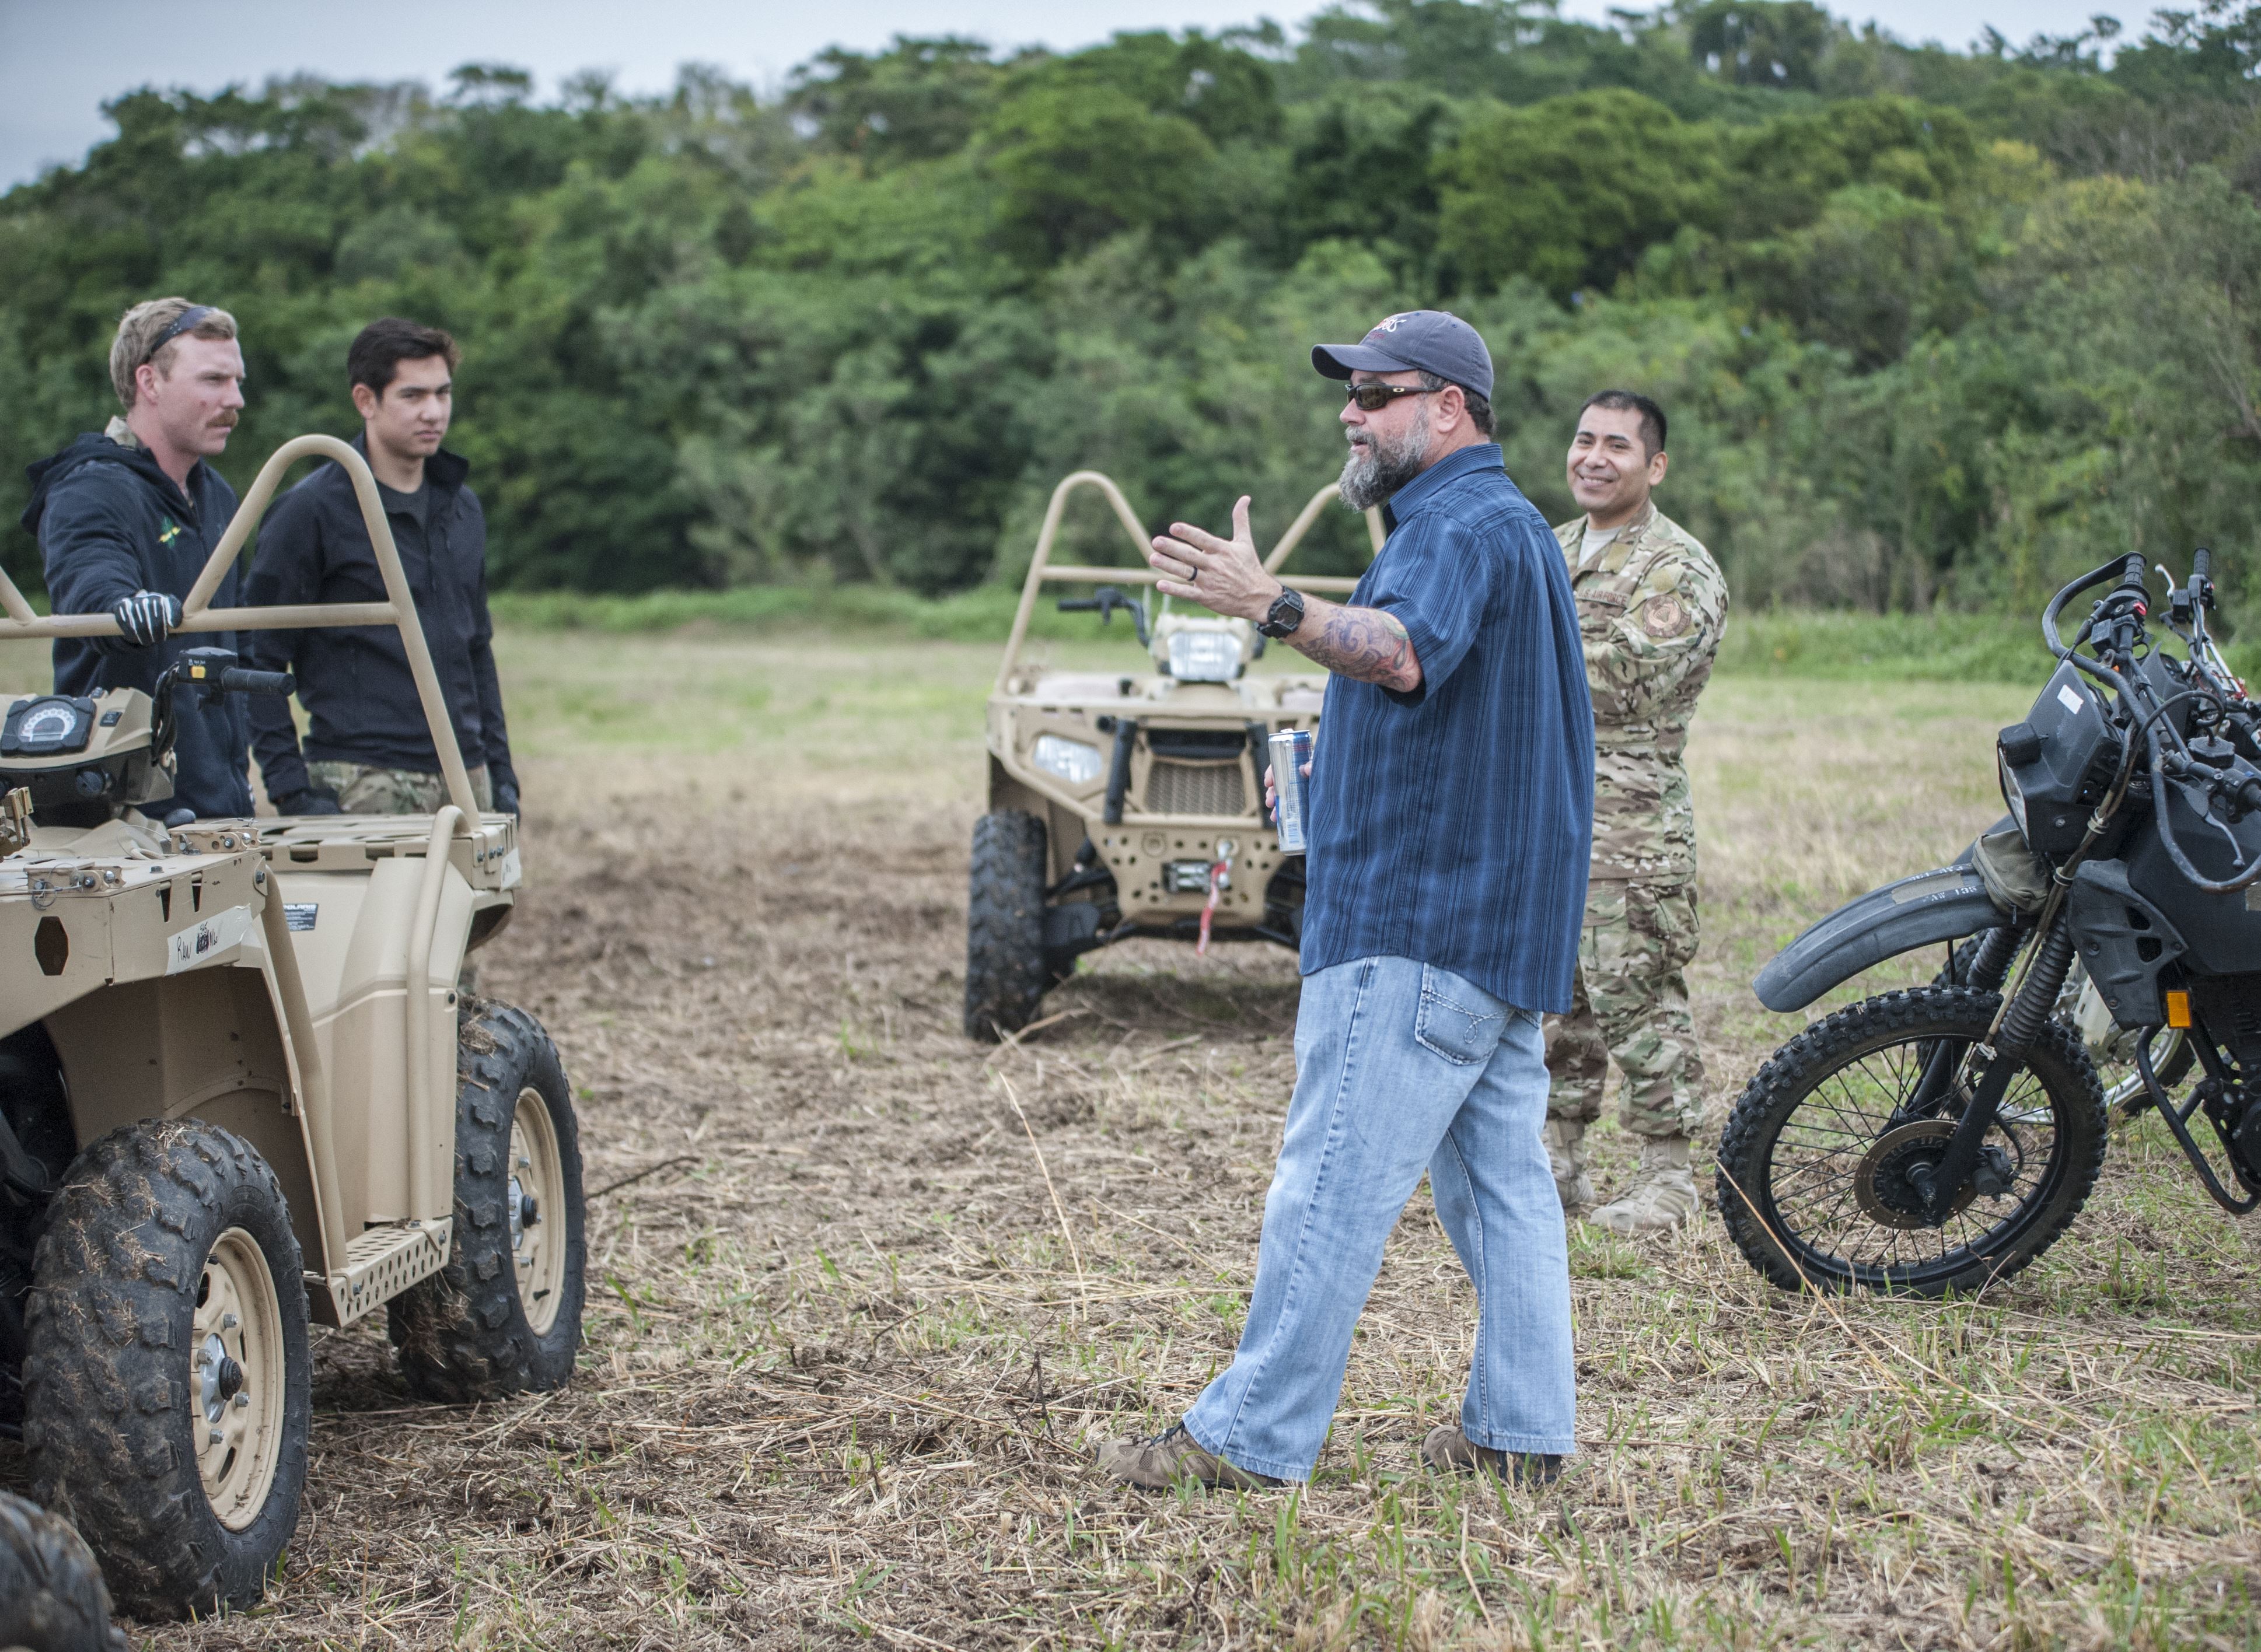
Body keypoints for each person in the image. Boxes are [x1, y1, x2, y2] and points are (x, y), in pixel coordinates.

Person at [1095, 311, 1593, 1492]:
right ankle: (1519, 1437)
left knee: (1325, 1182)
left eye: (1375, 393)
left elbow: (1399, 652)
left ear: (1448, 407)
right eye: (1350, 392)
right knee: (1501, 1193)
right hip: (1492, 929)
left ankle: (1245, 1440)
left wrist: (1272, 606)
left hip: (1418, 923)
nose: (1349, 412)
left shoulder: (1459, 521)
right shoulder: (1501, 526)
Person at [1543, 391, 1728, 1234]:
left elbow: (1623, 680)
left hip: (1629, 818)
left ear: (1652, 466)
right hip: (1547, 809)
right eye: (1583, 440)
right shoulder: (1550, 548)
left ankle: (1667, 1179)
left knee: (1635, 993)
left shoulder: (1675, 569)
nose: (1592, 457)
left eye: (1615, 446)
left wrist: (1510, 661)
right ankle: (1556, 1159)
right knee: (1554, 993)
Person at [244, 318, 516, 818]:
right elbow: (256, 659)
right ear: (366, 400)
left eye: (442, 393)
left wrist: (502, 772)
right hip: (363, 778)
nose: (433, 412)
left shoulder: (464, 508)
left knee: (478, 902)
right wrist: (290, 791)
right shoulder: (310, 511)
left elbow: (476, 648)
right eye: (412, 396)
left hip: (466, 776)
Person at [20, 298, 254, 820]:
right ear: (149, 382)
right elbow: (91, 580)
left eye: (237, 381)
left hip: (219, 802)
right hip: (126, 814)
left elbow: (242, 644)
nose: (235, 399)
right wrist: (124, 607)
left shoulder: (216, 495)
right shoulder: (90, 487)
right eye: (213, 380)